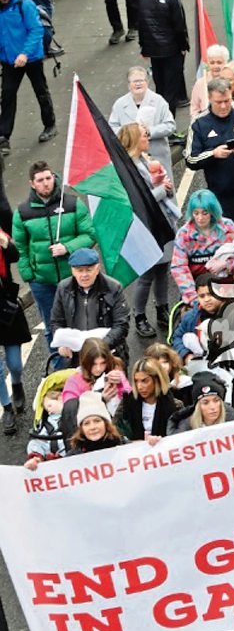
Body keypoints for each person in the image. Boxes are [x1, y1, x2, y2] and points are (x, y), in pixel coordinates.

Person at [11, 160, 95, 350]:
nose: (46, 183)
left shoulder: (72, 204)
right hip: (42, 282)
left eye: (48, 178)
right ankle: (58, 364)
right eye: (40, 180)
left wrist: (67, 247)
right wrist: (29, 276)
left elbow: (90, 235)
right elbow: (21, 248)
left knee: (82, 323)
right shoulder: (22, 213)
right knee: (52, 328)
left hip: (73, 277)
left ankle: (84, 360)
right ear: (32, 184)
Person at [116, 121, 178, 338]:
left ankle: (162, 308)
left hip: (161, 220)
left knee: (163, 269)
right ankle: (140, 315)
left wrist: (166, 186)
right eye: (143, 135)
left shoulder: (147, 160)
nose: (147, 138)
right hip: (146, 226)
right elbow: (139, 202)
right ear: (134, 139)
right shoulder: (127, 170)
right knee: (147, 273)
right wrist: (162, 190)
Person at [185, 78, 234, 229]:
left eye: (227, 101)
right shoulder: (199, 124)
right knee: (228, 239)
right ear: (209, 98)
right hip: (220, 195)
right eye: (218, 102)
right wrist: (213, 153)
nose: (224, 106)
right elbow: (190, 159)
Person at [0, 0, 56, 150]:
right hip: (9, 60)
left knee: (41, 91)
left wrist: (25, 53)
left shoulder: (24, 4)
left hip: (30, 58)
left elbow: (36, 29)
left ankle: (50, 125)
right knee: (7, 95)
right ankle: (4, 136)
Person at [50, 247, 130, 366]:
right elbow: (56, 321)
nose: (84, 275)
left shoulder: (113, 288)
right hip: (78, 358)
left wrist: (99, 348)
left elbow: (121, 325)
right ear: (72, 271)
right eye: (79, 270)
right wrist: (62, 344)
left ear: (97, 269)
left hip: (108, 354)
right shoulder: (63, 288)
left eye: (89, 270)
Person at [170, 190, 234, 308]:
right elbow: (179, 268)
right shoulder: (184, 234)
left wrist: (226, 264)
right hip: (198, 292)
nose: (200, 218)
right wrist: (195, 299)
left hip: (228, 289)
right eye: (196, 213)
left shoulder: (228, 226)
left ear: (213, 211)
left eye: (205, 213)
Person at [109, 65, 178, 177]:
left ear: (147, 82)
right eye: (134, 81)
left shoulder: (158, 100)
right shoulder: (119, 104)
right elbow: (111, 129)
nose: (138, 84)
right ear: (128, 85)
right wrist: (130, 134)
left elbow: (170, 125)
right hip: (131, 158)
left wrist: (150, 131)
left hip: (157, 155)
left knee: (163, 185)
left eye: (141, 80)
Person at [0, 218, 29, 433]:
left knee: (15, 365)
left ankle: (17, 384)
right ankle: (7, 407)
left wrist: (4, 243)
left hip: (5, 307)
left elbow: (14, 256)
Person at [115, 358, 183, 443]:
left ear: (157, 380)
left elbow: (181, 435)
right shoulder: (127, 402)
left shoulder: (175, 405)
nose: (139, 387)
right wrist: (133, 443)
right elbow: (115, 431)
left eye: (145, 381)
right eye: (136, 381)